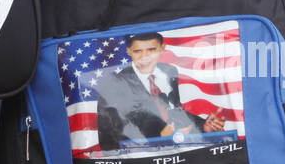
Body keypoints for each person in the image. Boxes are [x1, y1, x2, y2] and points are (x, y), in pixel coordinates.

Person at [94, 32, 225, 151]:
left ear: (162, 48)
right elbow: (108, 140)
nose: (145, 57)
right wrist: (157, 139)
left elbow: (175, 110)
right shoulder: (113, 86)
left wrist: (203, 127)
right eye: (138, 51)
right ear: (129, 51)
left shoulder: (169, 71)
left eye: (151, 50)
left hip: (176, 153)